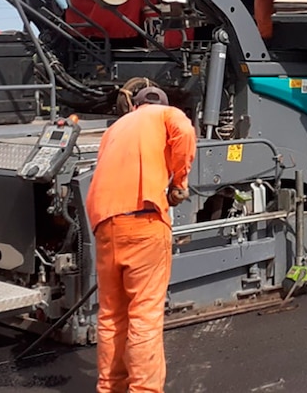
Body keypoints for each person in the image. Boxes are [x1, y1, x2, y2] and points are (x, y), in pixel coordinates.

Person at [86, 85, 197, 393]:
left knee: (110, 316)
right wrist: (179, 180)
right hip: (143, 220)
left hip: (105, 224)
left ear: (132, 106)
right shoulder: (166, 114)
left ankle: (110, 388)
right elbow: (185, 132)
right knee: (144, 315)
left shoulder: (115, 128)